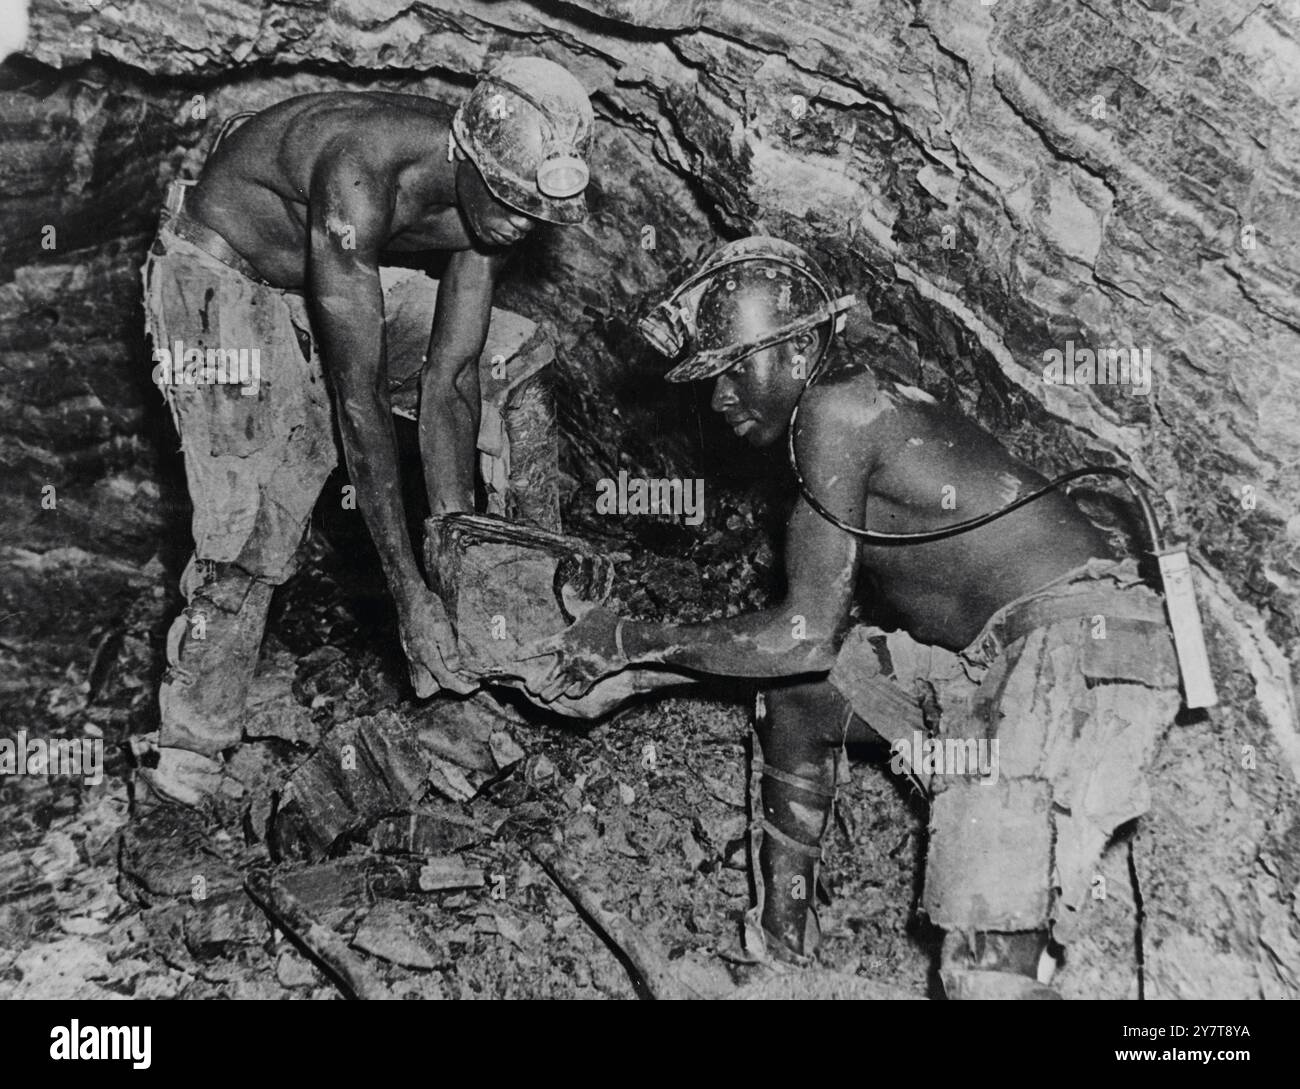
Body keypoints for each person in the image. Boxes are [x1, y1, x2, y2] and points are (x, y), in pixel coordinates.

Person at [528, 236, 1182, 999]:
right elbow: (808, 652)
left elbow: (799, 636)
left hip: (1072, 641)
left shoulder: (836, 408)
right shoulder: (844, 409)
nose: (719, 399)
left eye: (736, 368)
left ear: (801, 347)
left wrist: (631, 640)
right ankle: (781, 955)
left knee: (985, 966)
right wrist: (648, 658)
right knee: (810, 698)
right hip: (993, 657)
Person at [140, 57, 593, 807]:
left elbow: (452, 376)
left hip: (331, 276)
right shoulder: (361, 176)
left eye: (533, 210)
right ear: (467, 155)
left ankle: (507, 628)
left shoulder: (499, 202)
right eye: (511, 202)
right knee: (257, 509)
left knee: (513, 364)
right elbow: (360, 404)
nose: (520, 223)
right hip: (220, 271)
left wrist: (450, 549)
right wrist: (408, 593)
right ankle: (192, 750)